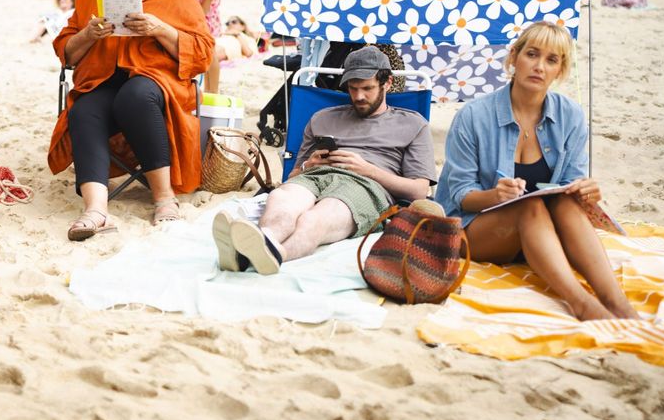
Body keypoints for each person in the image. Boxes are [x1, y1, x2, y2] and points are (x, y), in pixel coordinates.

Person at [438, 23, 638, 321]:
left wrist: (585, 192)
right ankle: (582, 304)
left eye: (551, 60)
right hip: (473, 230)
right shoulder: (473, 116)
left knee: (567, 202)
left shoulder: (570, 115)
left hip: (542, 234)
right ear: (514, 58)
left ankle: (618, 303)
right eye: (532, 54)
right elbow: (460, 196)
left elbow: (570, 182)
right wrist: (495, 195)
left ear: (560, 69)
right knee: (529, 205)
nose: (539, 67)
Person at [49, 0, 214, 241]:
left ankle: (164, 198)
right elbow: (66, 54)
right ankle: (97, 210)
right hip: (103, 81)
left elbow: (204, 54)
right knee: (83, 110)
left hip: (157, 86)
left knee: (134, 96)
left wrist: (160, 29)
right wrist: (89, 34)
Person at [216, 46, 435, 273]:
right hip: (314, 177)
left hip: (366, 187)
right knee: (284, 201)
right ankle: (264, 239)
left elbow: (419, 191)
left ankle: (271, 255)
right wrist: (307, 166)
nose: (359, 96)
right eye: (353, 88)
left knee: (314, 219)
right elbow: (292, 177)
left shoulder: (412, 124)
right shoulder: (322, 118)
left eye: (367, 88)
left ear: (387, 83)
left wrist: (368, 170)